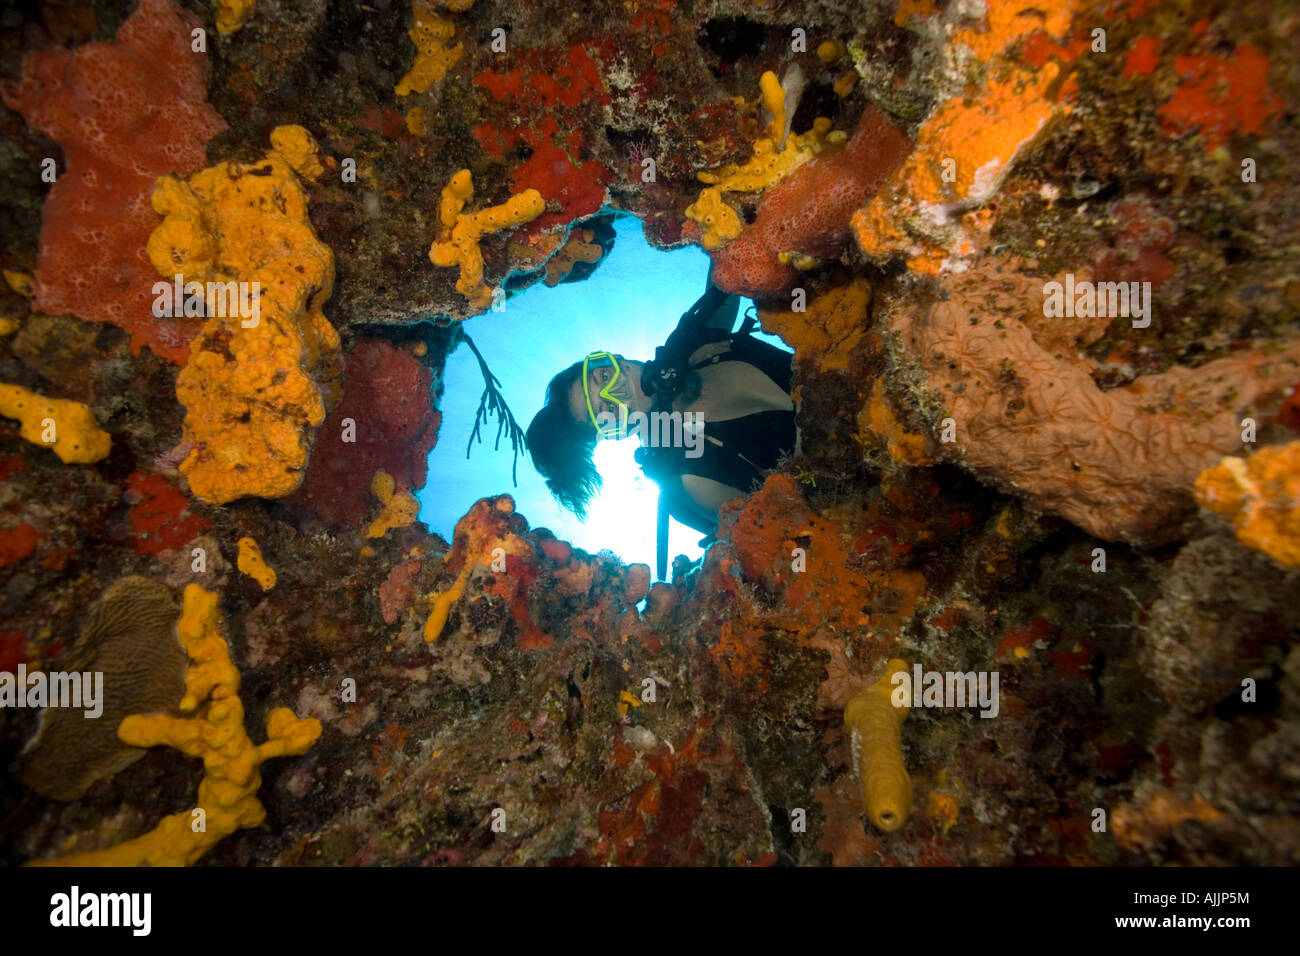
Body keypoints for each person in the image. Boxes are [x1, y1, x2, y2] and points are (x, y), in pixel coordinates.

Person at [526, 276, 798, 578]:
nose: (620, 390)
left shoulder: (693, 342)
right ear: (616, 432)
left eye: (603, 377)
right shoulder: (689, 472)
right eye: (607, 408)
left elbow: (730, 273)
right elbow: (784, 533)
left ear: (615, 358)